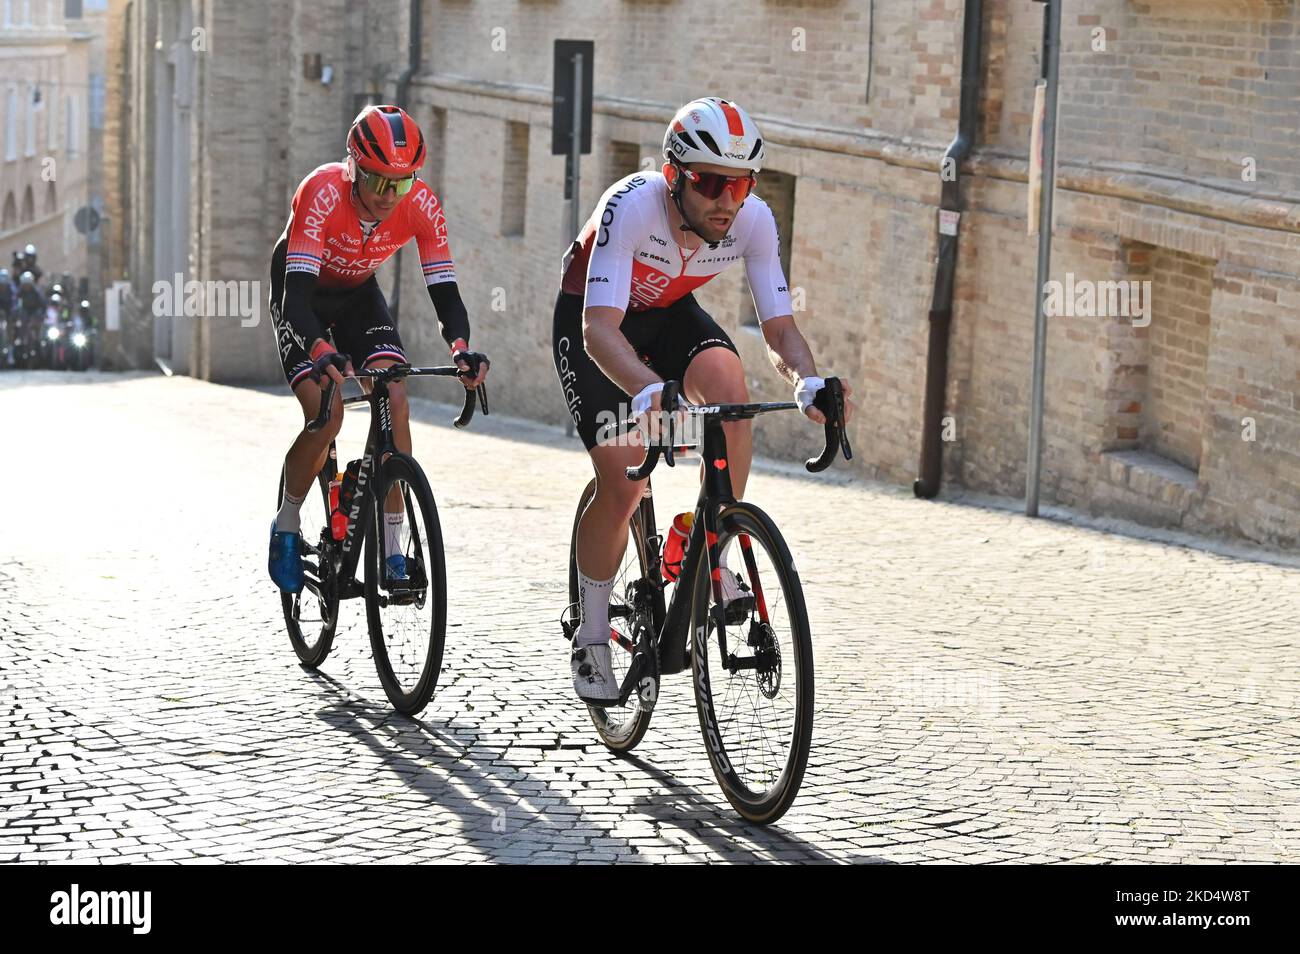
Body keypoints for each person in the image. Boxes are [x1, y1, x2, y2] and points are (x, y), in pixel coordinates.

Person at [552, 98, 856, 703]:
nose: (728, 200)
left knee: (730, 388)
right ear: (675, 177)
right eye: (713, 183)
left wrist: (806, 381)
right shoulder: (631, 206)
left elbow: (780, 332)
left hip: (667, 315)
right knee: (624, 480)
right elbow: (599, 331)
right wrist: (647, 389)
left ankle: (704, 537)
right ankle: (590, 632)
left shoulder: (753, 220)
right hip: (599, 325)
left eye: (741, 183)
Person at [267, 104, 488, 593]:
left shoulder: (422, 206)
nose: (392, 196)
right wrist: (322, 349)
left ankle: (393, 551)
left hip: (358, 295)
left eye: (403, 183)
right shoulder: (321, 193)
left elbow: (445, 292)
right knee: (327, 416)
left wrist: (461, 348)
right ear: (354, 168)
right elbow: (297, 300)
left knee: (395, 393)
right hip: (301, 292)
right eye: (381, 183)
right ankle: (286, 522)